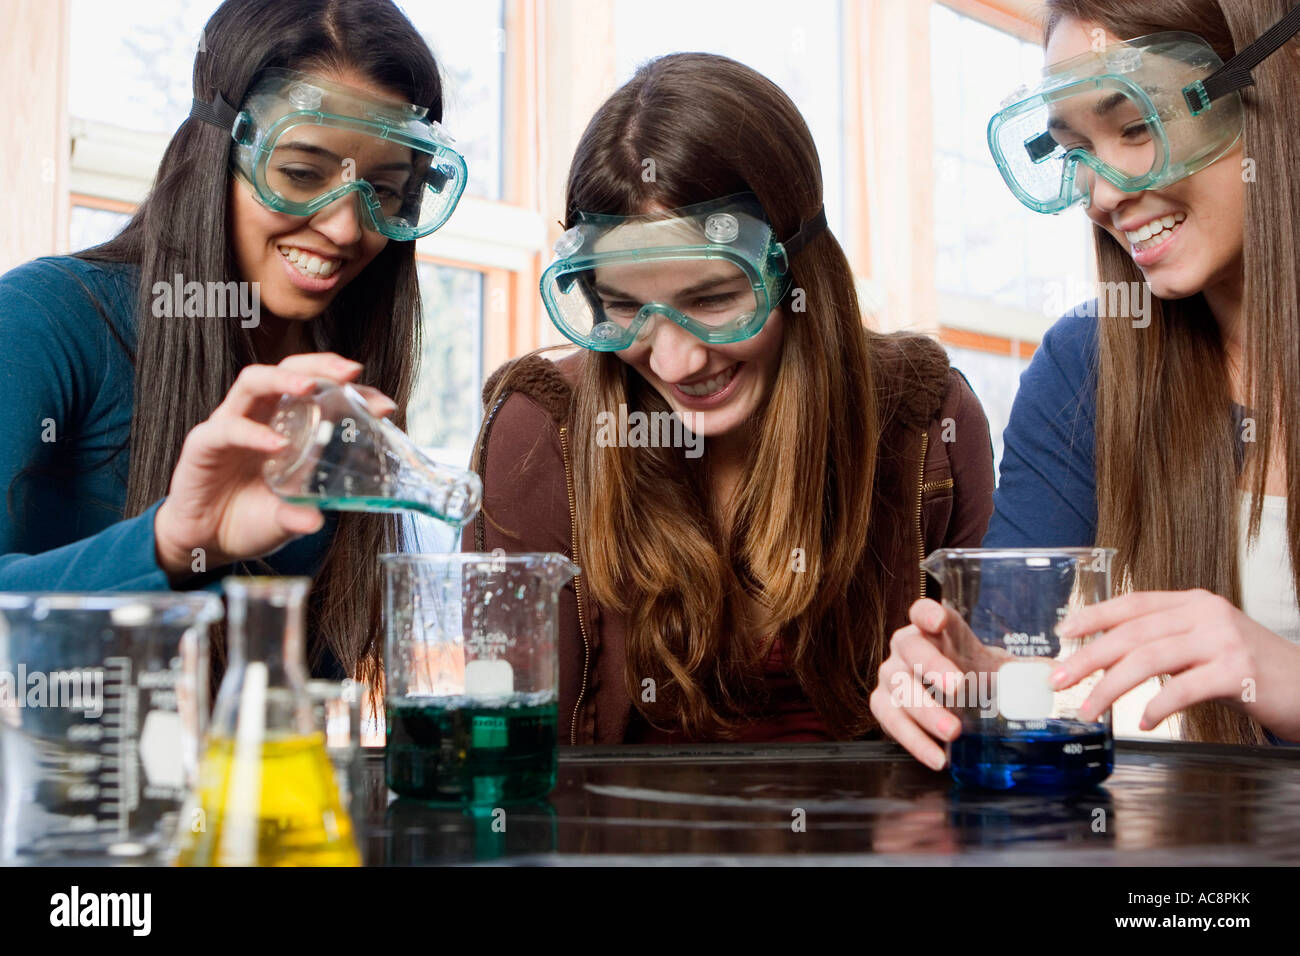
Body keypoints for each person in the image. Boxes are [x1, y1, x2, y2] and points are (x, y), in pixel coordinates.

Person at [470, 53, 996, 745]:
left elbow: (994, 713)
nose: (674, 360)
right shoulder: (541, 430)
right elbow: (512, 756)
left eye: (713, 300)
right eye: (624, 307)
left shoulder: (927, 422)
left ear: (798, 267)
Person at [878, 0, 1300, 769]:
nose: (1102, 196)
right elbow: (1012, 656)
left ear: (1272, 80)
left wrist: (1286, 680)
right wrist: (958, 681)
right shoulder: (1083, 369)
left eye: (1137, 127)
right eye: (1077, 150)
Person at [0, 0, 467, 686]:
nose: (343, 228)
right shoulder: (49, 318)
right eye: (302, 173)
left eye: (385, 192)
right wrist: (169, 543)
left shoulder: (344, 377)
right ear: (219, 147)